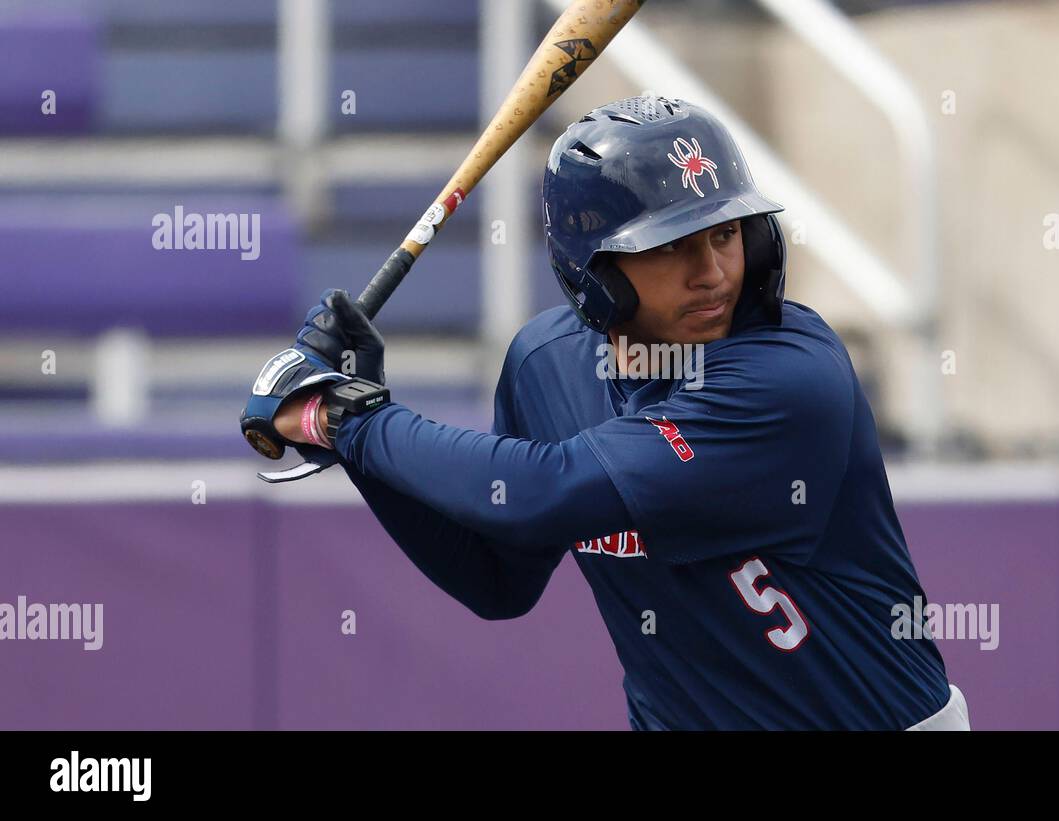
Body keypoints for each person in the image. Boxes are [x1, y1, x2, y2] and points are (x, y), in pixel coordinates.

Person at [241, 95, 969, 730]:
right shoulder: (546, 364)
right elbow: (496, 580)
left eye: (726, 233)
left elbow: (546, 490)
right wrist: (362, 435)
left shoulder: (789, 376)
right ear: (593, 270)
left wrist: (344, 420)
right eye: (672, 245)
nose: (713, 271)